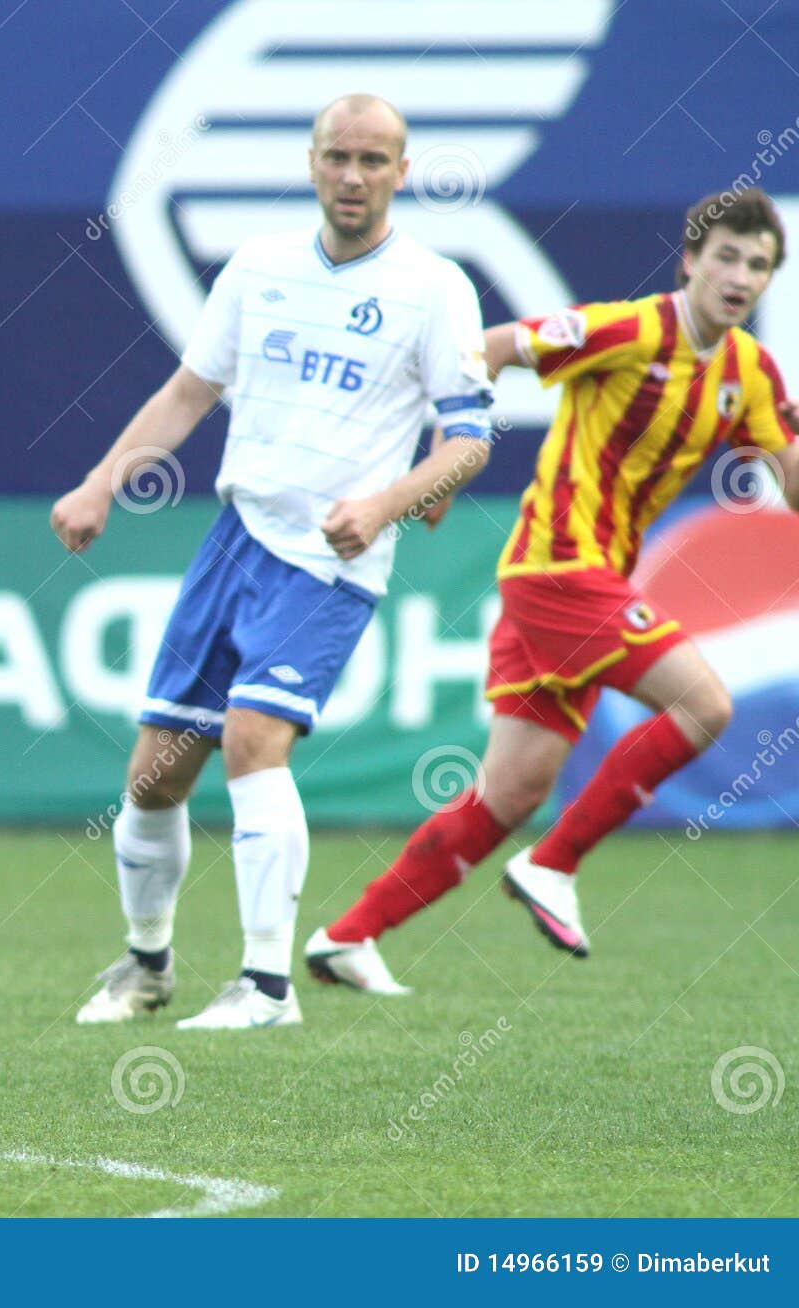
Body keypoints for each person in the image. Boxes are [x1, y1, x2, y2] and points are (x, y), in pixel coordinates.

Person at [50, 93, 494, 1030]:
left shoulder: (435, 286)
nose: (353, 176)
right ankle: (146, 966)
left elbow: (469, 443)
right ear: (311, 161)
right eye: (339, 156)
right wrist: (100, 485)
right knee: (153, 776)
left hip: (331, 564)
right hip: (238, 540)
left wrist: (383, 505)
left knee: (255, 739)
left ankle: (265, 987)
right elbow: (188, 390)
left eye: (375, 161)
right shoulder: (259, 267)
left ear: (402, 174)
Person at [307, 187, 799, 988]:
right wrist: (447, 462)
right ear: (691, 261)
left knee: (507, 793)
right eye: (727, 257)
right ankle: (555, 864)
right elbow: (488, 349)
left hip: (585, 583)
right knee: (705, 704)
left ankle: (349, 936)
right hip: (557, 569)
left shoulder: (750, 371)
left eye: (758, 265)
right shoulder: (628, 329)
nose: (740, 276)